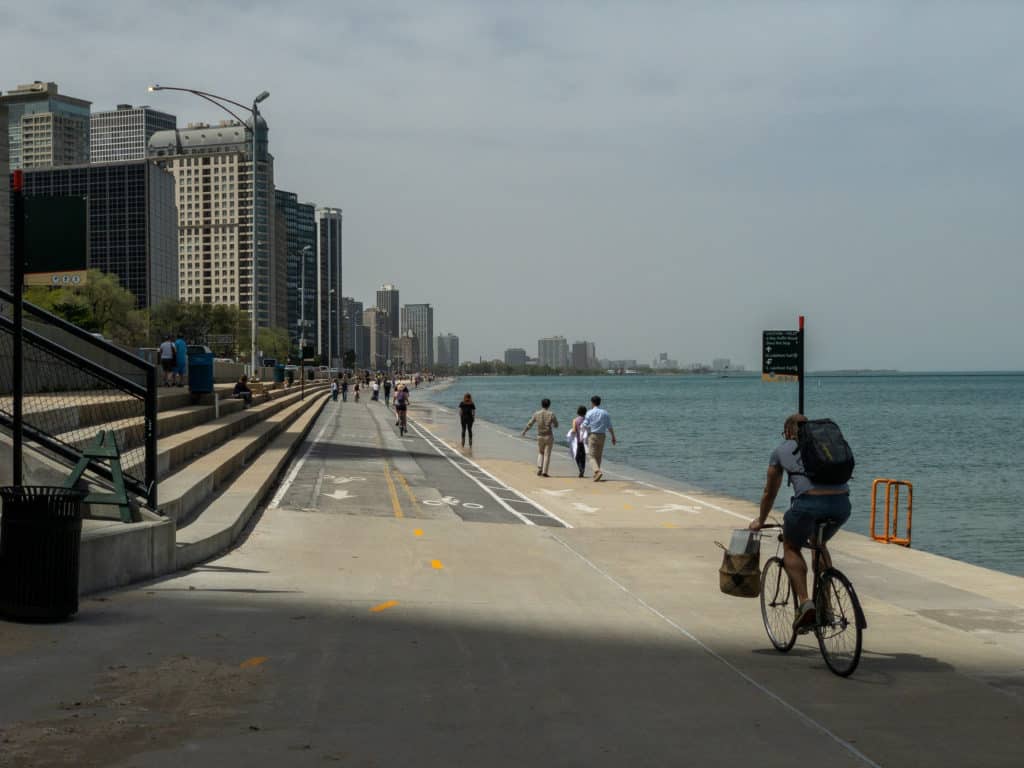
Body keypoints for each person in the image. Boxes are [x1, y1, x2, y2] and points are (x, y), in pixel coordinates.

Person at [748, 413, 851, 632]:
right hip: (842, 505)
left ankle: (805, 603)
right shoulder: (825, 446)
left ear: (787, 432)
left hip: (808, 505)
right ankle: (827, 606)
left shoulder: (781, 450)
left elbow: (770, 492)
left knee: (791, 546)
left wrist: (761, 520)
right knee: (819, 543)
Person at [582, 395, 617, 481]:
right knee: (598, 456)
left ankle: (597, 471)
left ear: (592, 403)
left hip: (593, 435)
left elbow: (584, 425)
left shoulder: (589, 412)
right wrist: (613, 436)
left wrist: (586, 430)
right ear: (599, 402)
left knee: (591, 456)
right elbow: (609, 426)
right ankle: (596, 474)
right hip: (602, 435)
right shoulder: (605, 412)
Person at [522, 398, 558, 477]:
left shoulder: (536, 413)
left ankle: (539, 468)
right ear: (549, 405)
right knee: (547, 454)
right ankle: (545, 472)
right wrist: (553, 424)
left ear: (541, 404)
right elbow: (556, 425)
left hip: (540, 435)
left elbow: (530, 423)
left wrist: (524, 431)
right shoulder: (551, 414)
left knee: (540, 452)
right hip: (548, 435)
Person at [568, 405, 589, 478]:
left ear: (578, 412)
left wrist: (570, 433)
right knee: (583, 456)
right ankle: (583, 470)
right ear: (585, 412)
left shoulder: (575, 420)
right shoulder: (587, 420)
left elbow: (574, 430)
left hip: (578, 440)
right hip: (585, 440)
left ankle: (581, 469)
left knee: (577, 456)